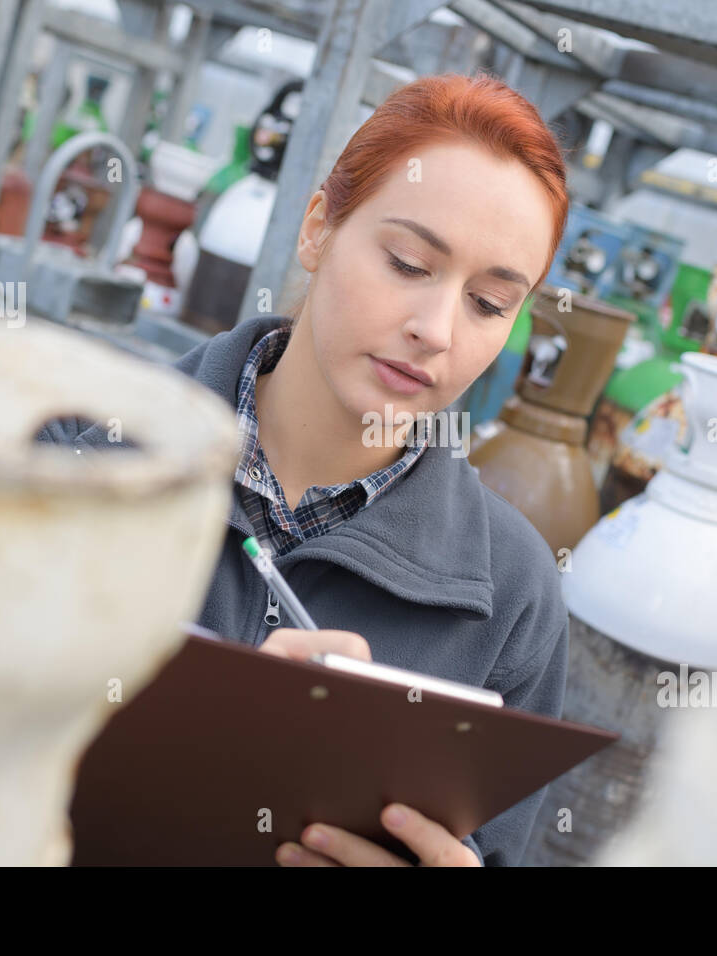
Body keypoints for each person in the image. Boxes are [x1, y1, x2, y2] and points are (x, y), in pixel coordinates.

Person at [43, 72, 572, 866]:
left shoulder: (514, 598)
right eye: (407, 262)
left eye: (489, 305)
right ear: (319, 225)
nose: (435, 329)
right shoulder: (76, 445)